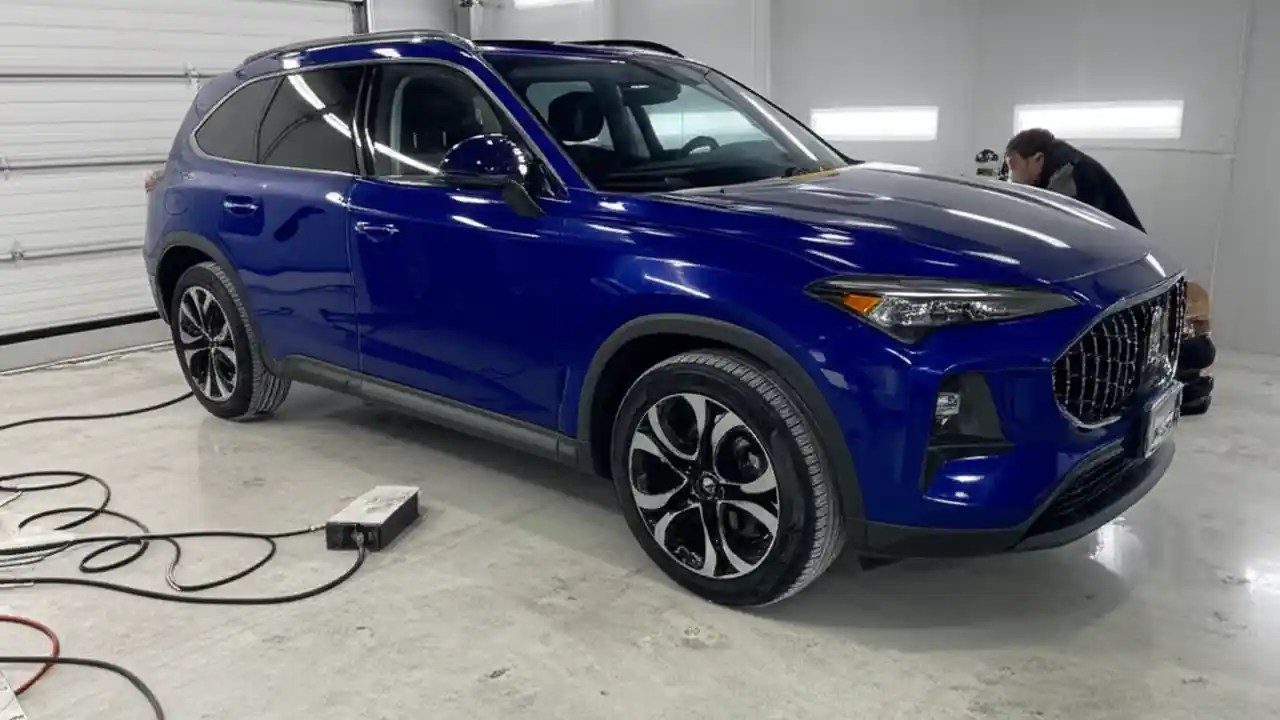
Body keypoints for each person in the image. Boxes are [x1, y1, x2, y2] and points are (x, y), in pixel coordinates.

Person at [1005, 128, 1145, 231]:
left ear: (1038, 159)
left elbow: (1056, 224)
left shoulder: (1068, 172)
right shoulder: (1058, 165)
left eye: (1013, 165)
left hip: (1126, 255)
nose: (1011, 176)